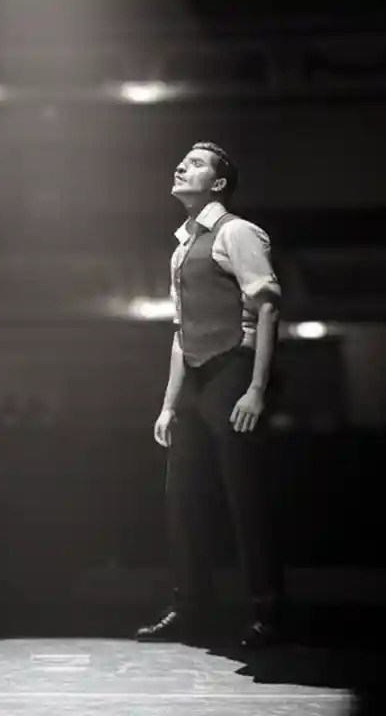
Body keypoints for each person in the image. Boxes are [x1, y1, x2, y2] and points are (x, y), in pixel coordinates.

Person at [134, 141, 285, 648]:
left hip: (233, 370)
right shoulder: (181, 246)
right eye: (182, 161)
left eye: (196, 163)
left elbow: (267, 308)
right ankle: (190, 608)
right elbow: (182, 332)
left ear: (218, 184)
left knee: (245, 497)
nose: (181, 166)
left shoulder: (237, 232)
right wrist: (168, 404)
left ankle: (267, 613)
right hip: (196, 380)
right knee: (183, 499)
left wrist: (257, 389)